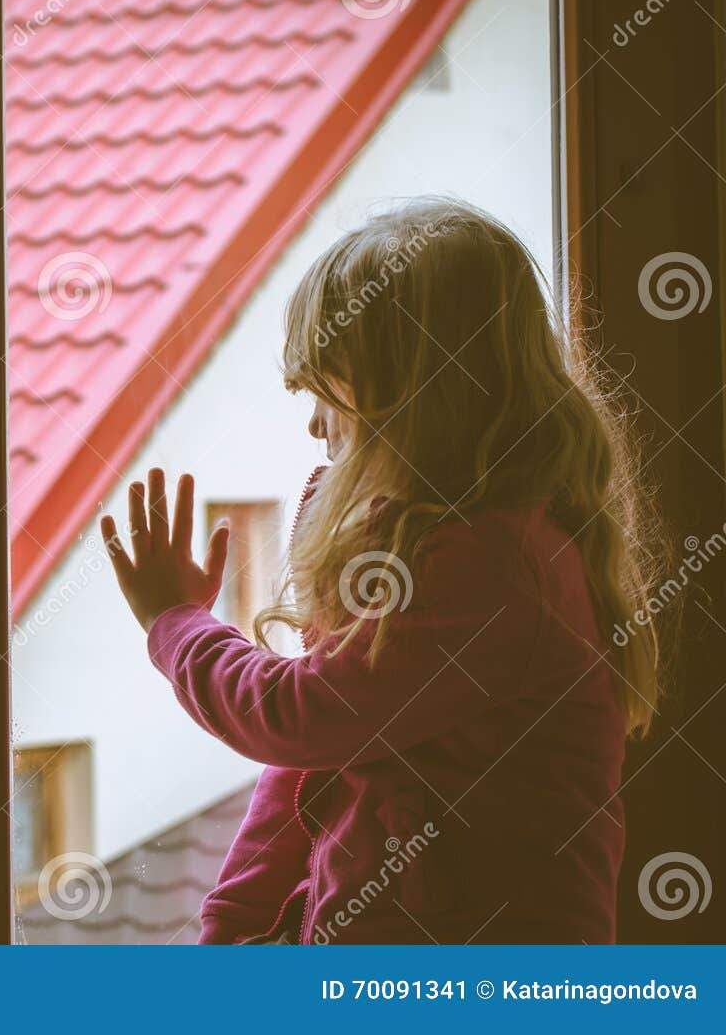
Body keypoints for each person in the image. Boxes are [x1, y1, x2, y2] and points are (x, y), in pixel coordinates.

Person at [101, 199, 664, 944]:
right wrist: (232, 926)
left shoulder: (496, 568)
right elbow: (316, 764)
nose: (313, 426)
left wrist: (176, 625)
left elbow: (300, 718)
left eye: (330, 391)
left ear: (416, 401)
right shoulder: (428, 555)